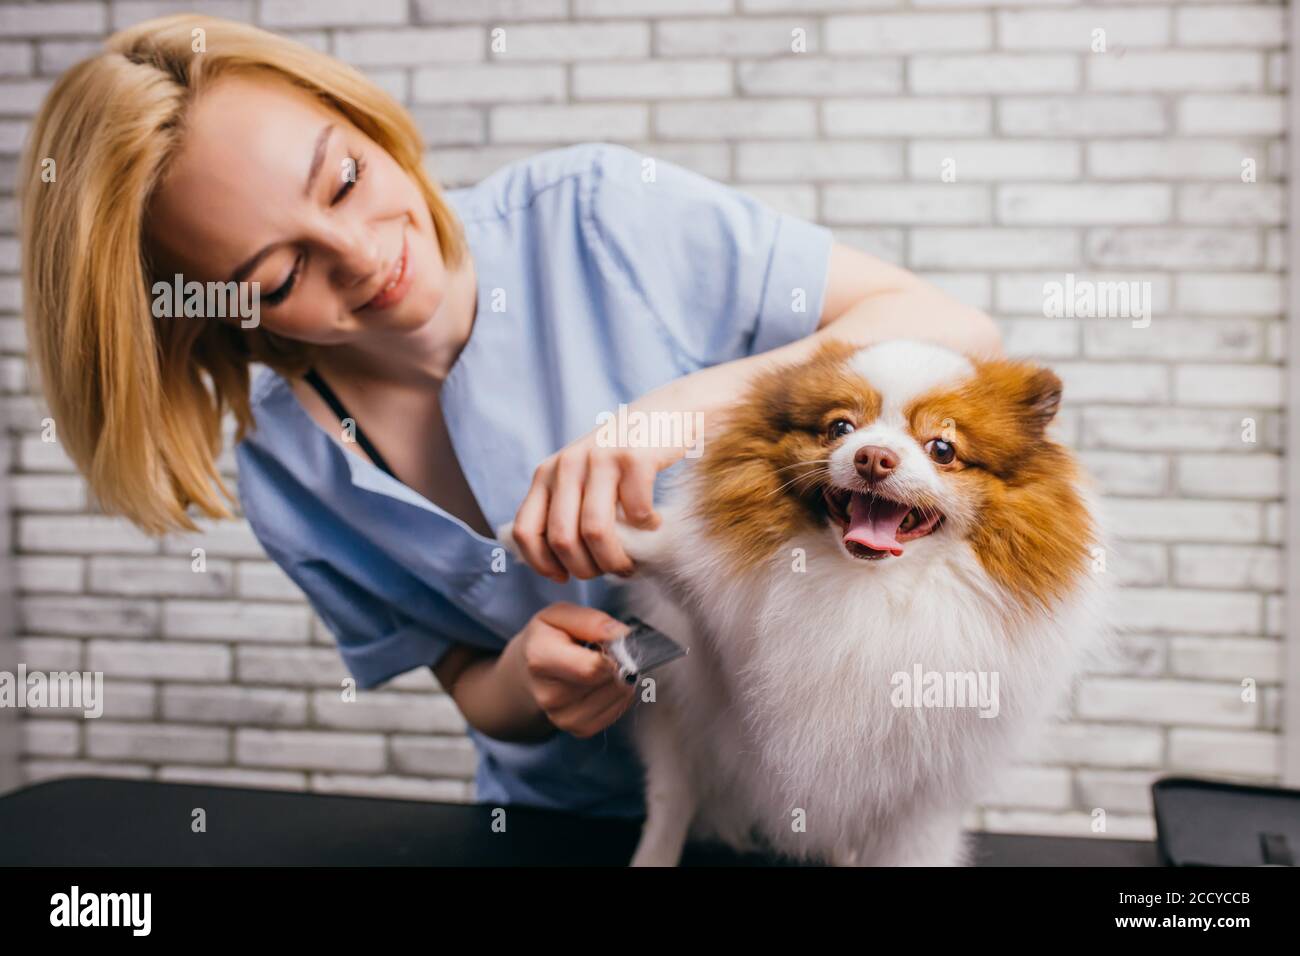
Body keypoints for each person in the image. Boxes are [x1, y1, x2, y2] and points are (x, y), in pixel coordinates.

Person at [19, 15, 1002, 818]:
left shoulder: (602, 214)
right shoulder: (287, 472)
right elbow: (475, 691)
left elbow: (957, 330)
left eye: (348, 178)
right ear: (209, 315)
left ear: (359, 114)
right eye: (277, 275)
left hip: (809, 798)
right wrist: (531, 685)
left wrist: (671, 414)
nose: (360, 255)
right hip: (561, 825)